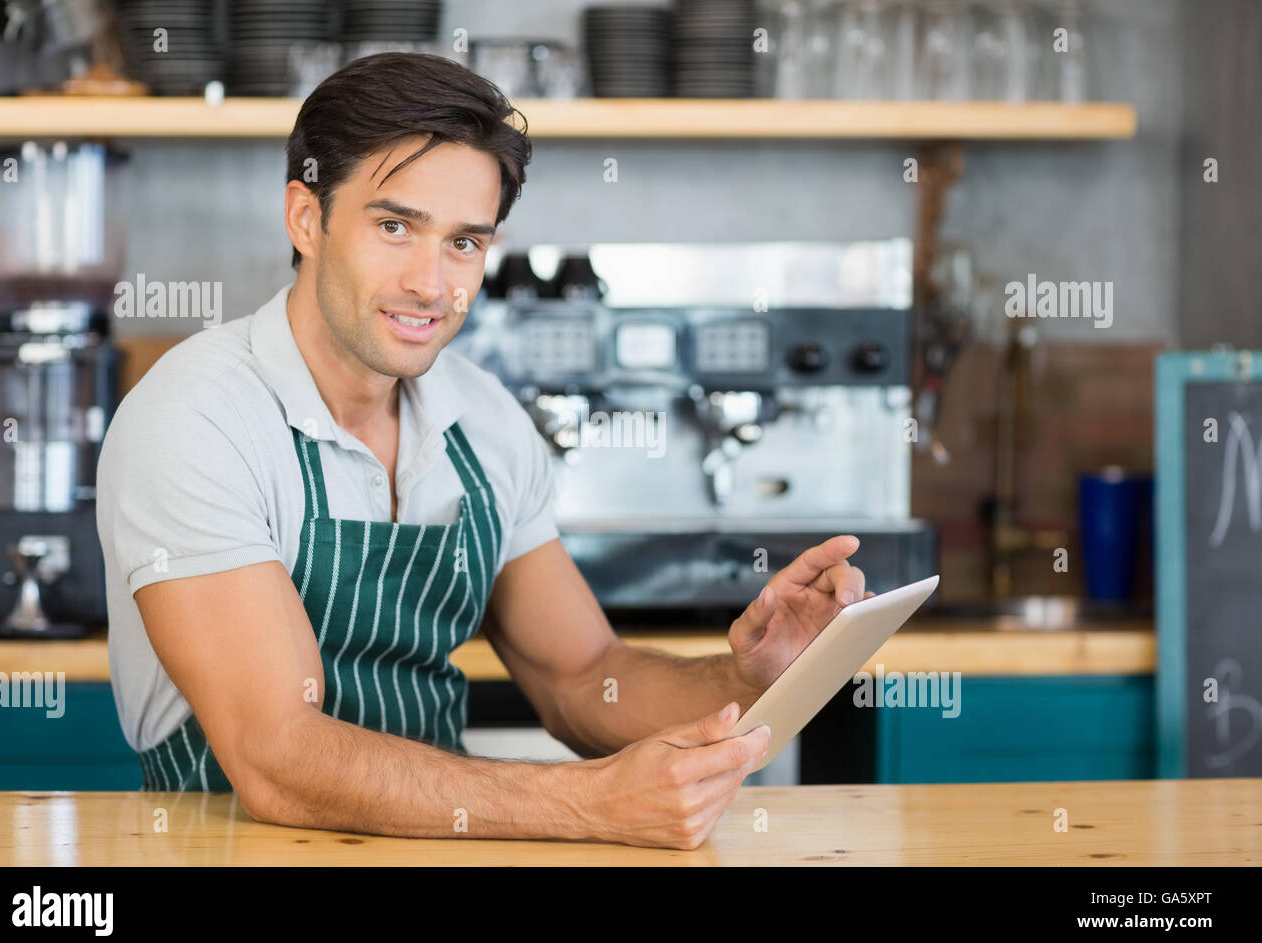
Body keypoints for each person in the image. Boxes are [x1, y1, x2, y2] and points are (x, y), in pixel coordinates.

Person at [97, 52, 871, 850]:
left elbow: (580, 678)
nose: (432, 283)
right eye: (394, 227)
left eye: (465, 243)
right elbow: (277, 756)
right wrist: (588, 803)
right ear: (306, 217)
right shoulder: (196, 418)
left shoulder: (484, 419)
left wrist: (745, 677)